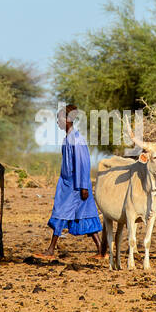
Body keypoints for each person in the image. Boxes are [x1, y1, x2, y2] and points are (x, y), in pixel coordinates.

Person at [36, 105, 105, 259]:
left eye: (59, 119)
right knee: (84, 215)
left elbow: (83, 163)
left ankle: (51, 250)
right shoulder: (69, 138)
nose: (57, 122)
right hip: (69, 185)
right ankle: (101, 249)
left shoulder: (76, 139)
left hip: (75, 186)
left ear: (67, 120)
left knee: (61, 213)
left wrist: (83, 187)